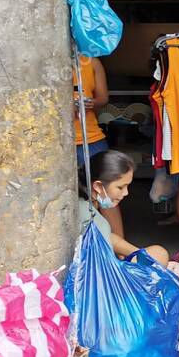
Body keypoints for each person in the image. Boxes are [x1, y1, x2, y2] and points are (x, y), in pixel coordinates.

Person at [79, 150, 170, 266]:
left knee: (157, 254)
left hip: (106, 268)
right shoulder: (84, 212)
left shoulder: (90, 204)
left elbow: (109, 238)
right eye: (120, 187)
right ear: (98, 186)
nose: (126, 193)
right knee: (159, 255)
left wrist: (138, 254)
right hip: (101, 275)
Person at [73, 54, 123, 237]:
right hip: (60, 141)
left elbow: (102, 98)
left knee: (106, 195)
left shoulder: (91, 62)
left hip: (91, 137)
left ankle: (119, 251)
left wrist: (88, 103)